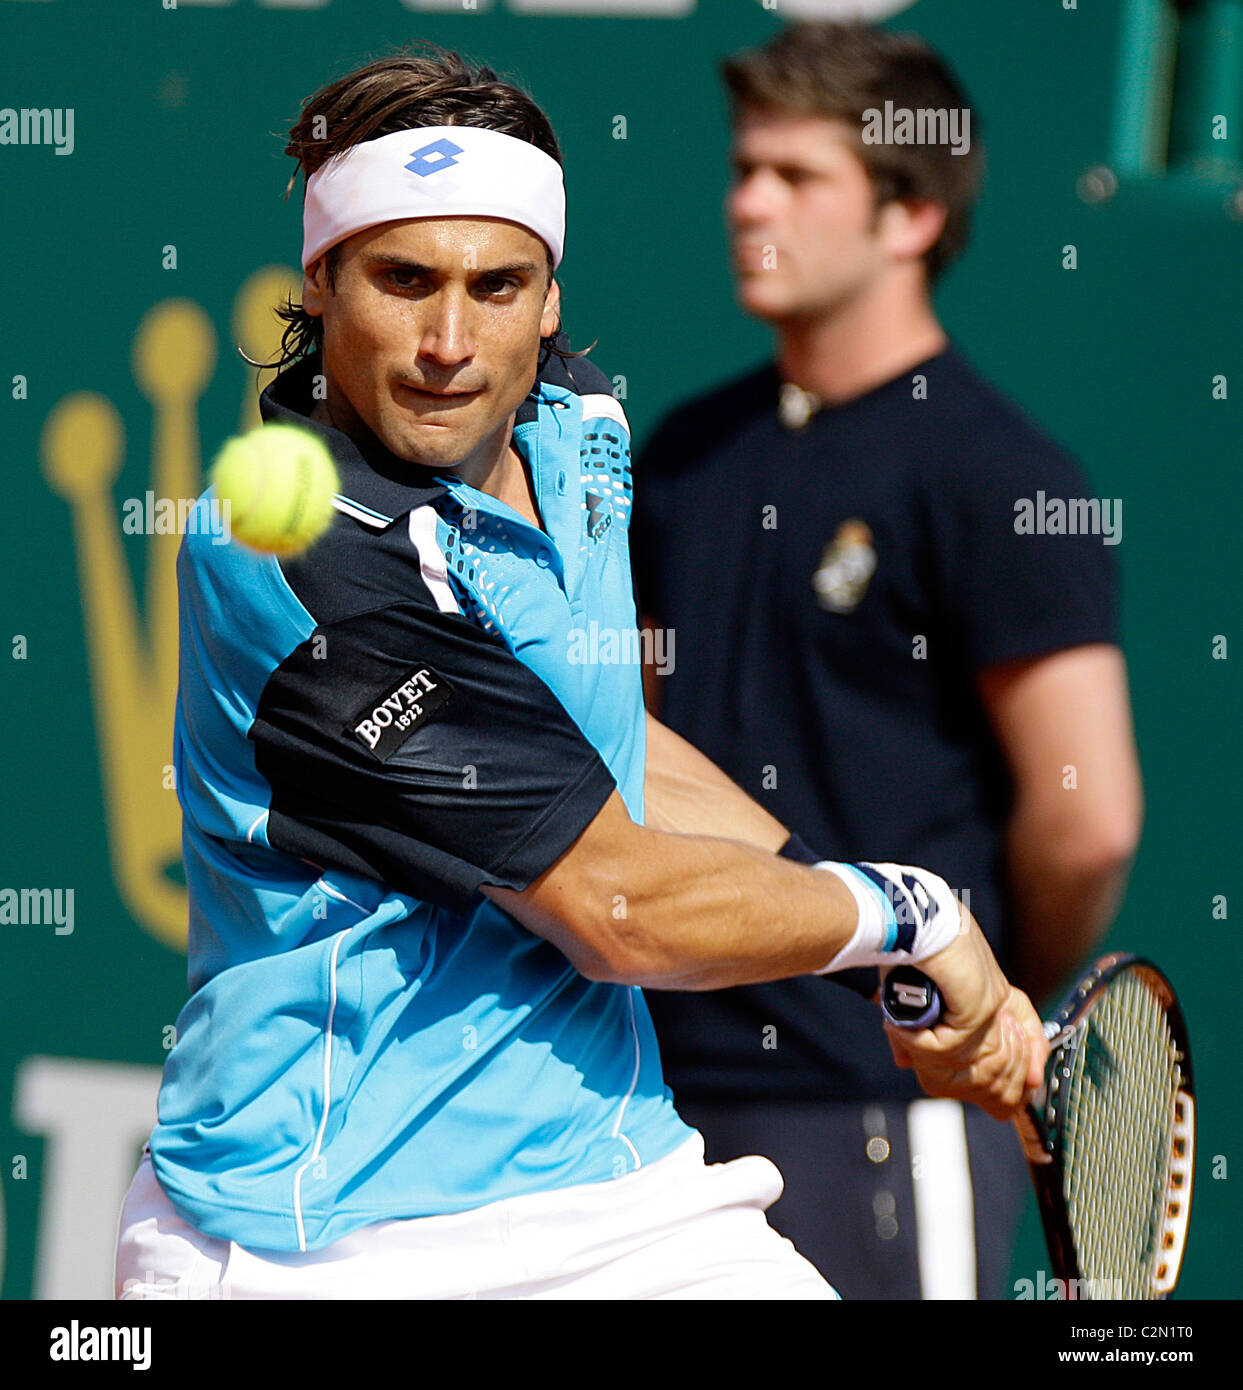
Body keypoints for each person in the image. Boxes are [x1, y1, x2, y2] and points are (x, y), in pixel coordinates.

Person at [113, 41, 1044, 1302]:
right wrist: (914, 915)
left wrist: (888, 961)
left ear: (550, 300)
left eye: (498, 286)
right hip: (321, 1236)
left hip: (614, 1188)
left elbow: (599, 746)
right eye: (403, 281)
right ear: (320, 278)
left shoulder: (580, 428)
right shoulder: (300, 557)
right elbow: (614, 905)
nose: (451, 341)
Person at [631, 21, 1143, 1300]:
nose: (749, 201)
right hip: (646, 1108)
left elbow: (1086, 820)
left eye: (797, 177)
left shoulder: (1002, 476)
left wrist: (964, 991)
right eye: (744, 168)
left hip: (872, 1109)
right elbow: (628, 747)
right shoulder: (682, 458)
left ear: (910, 213)